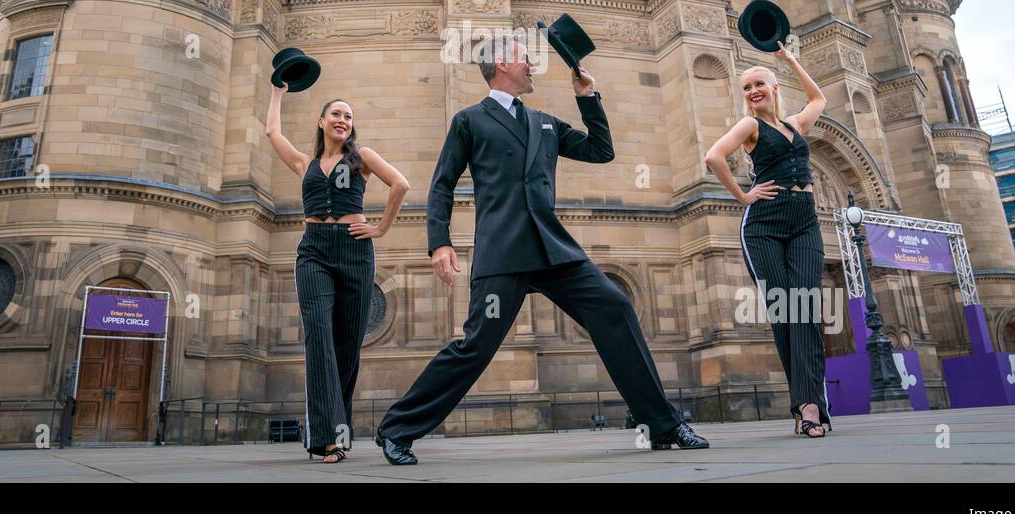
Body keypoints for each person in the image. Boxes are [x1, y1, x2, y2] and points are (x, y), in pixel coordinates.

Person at [374, 34, 708, 464]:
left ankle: (661, 424)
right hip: (503, 255)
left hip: (553, 252)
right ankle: (397, 430)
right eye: (523, 58)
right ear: (500, 65)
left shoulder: (545, 122)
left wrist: (589, 98)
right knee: (476, 346)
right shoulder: (469, 120)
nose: (532, 64)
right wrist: (439, 242)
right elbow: (441, 185)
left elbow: (600, 151)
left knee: (614, 306)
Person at [266, 83, 410, 462]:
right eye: (336, 114)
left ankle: (340, 433)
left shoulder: (361, 157)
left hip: (355, 250)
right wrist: (278, 92)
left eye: (348, 116)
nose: (343, 120)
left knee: (347, 347)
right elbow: (272, 133)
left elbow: (400, 184)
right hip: (313, 251)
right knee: (319, 338)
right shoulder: (305, 164)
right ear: (321, 122)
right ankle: (328, 439)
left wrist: (380, 228)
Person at [703, 42, 832, 437]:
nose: (753, 91)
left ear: (774, 87)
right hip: (763, 225)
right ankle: (807, 407)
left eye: (759, 84)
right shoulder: (750, 126)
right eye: (746, 87)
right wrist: (743, 195)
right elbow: (713, 157)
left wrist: (790, 60)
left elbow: (819, 98)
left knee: (806, 305)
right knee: (785, 310)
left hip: (804, 220)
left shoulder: (795, 125)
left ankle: (810, 402)